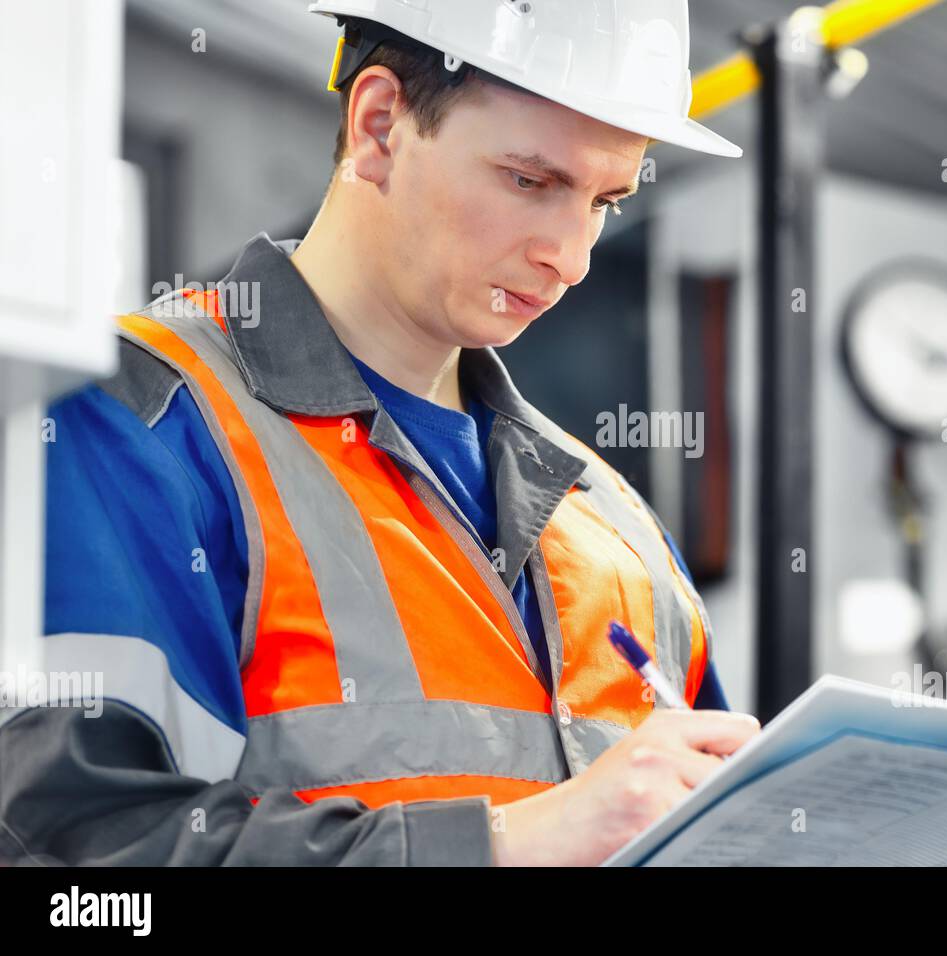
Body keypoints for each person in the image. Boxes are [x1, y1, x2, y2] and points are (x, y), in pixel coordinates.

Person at [0, 0, 758, 867]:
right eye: (530, 180)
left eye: (605, 201)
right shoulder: (139, 423)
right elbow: (74, 869)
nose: (572, 256)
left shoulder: (617, 526)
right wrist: (513, 846)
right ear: (378, 123)